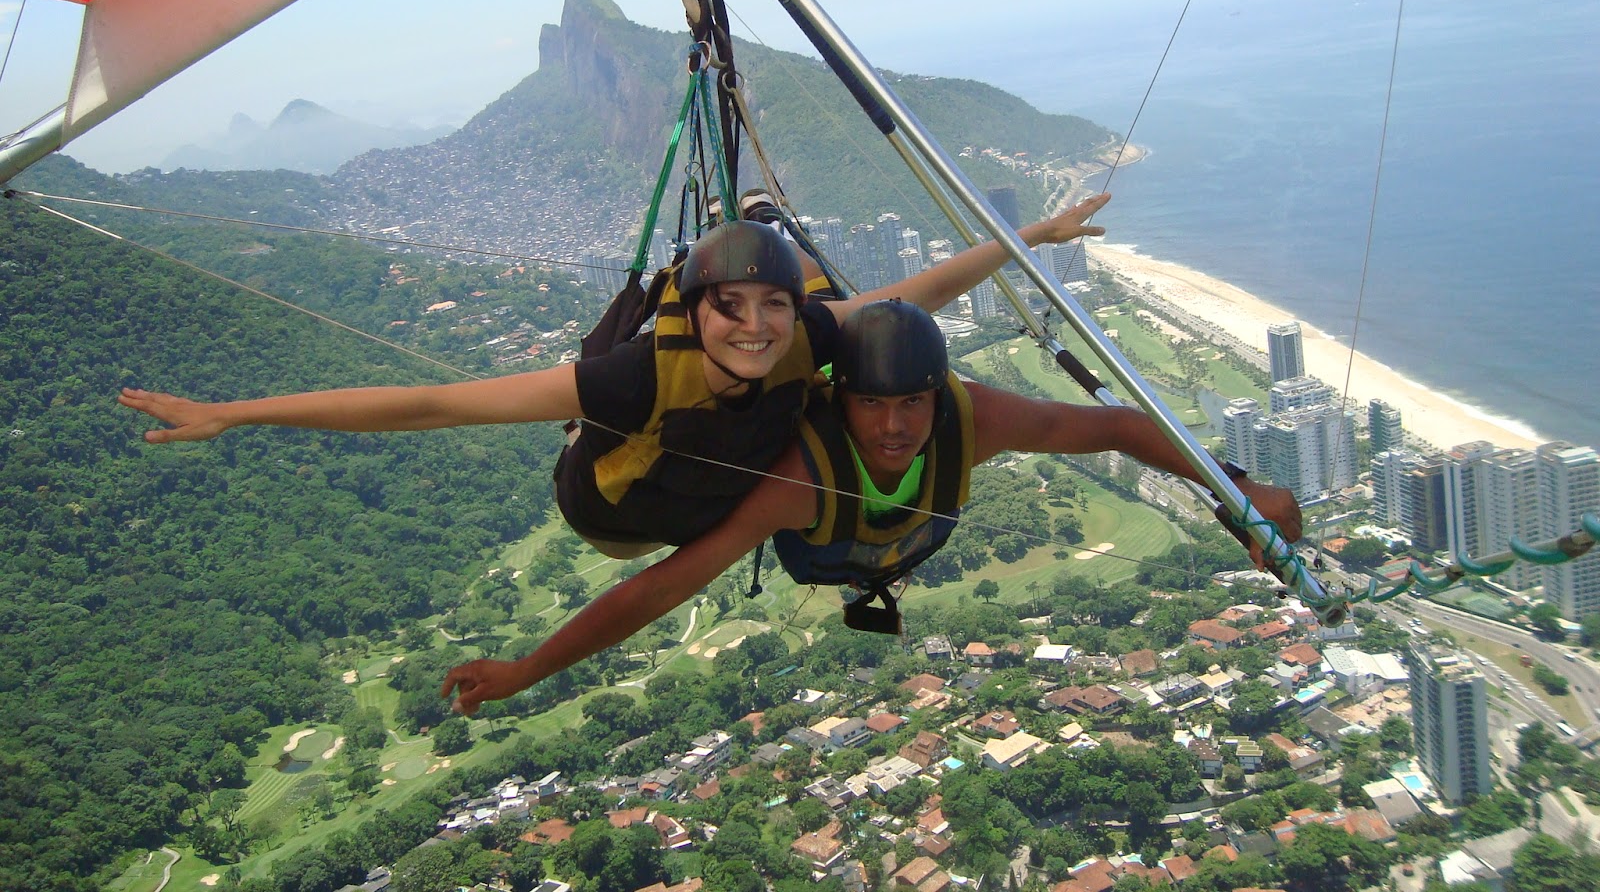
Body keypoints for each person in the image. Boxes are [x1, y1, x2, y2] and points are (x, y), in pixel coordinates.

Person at [120, 195, 1110, 563]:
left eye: (773, 304)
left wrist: (1033, 234)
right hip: (616, 514)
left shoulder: (802, 333)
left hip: (720, 480)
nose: (756, 325)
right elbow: (431, 405)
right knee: (635, 499)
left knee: (849, 365)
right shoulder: (632, 377)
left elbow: (915, 296)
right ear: (697, 309)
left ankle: (765, 236)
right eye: (731, 306)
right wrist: (235, 413)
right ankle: (601, 455)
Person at [439, 300, 1302, 712]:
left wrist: (1237, 492)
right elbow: (663, 586)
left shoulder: (971, 418)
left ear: (935, 394)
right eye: (872, 405)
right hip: (821, 546)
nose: (894, 428)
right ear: (838, 395)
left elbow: (1115, 427)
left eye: (912, 404)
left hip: (884, 547)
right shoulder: (799, 476)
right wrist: (527, 670)